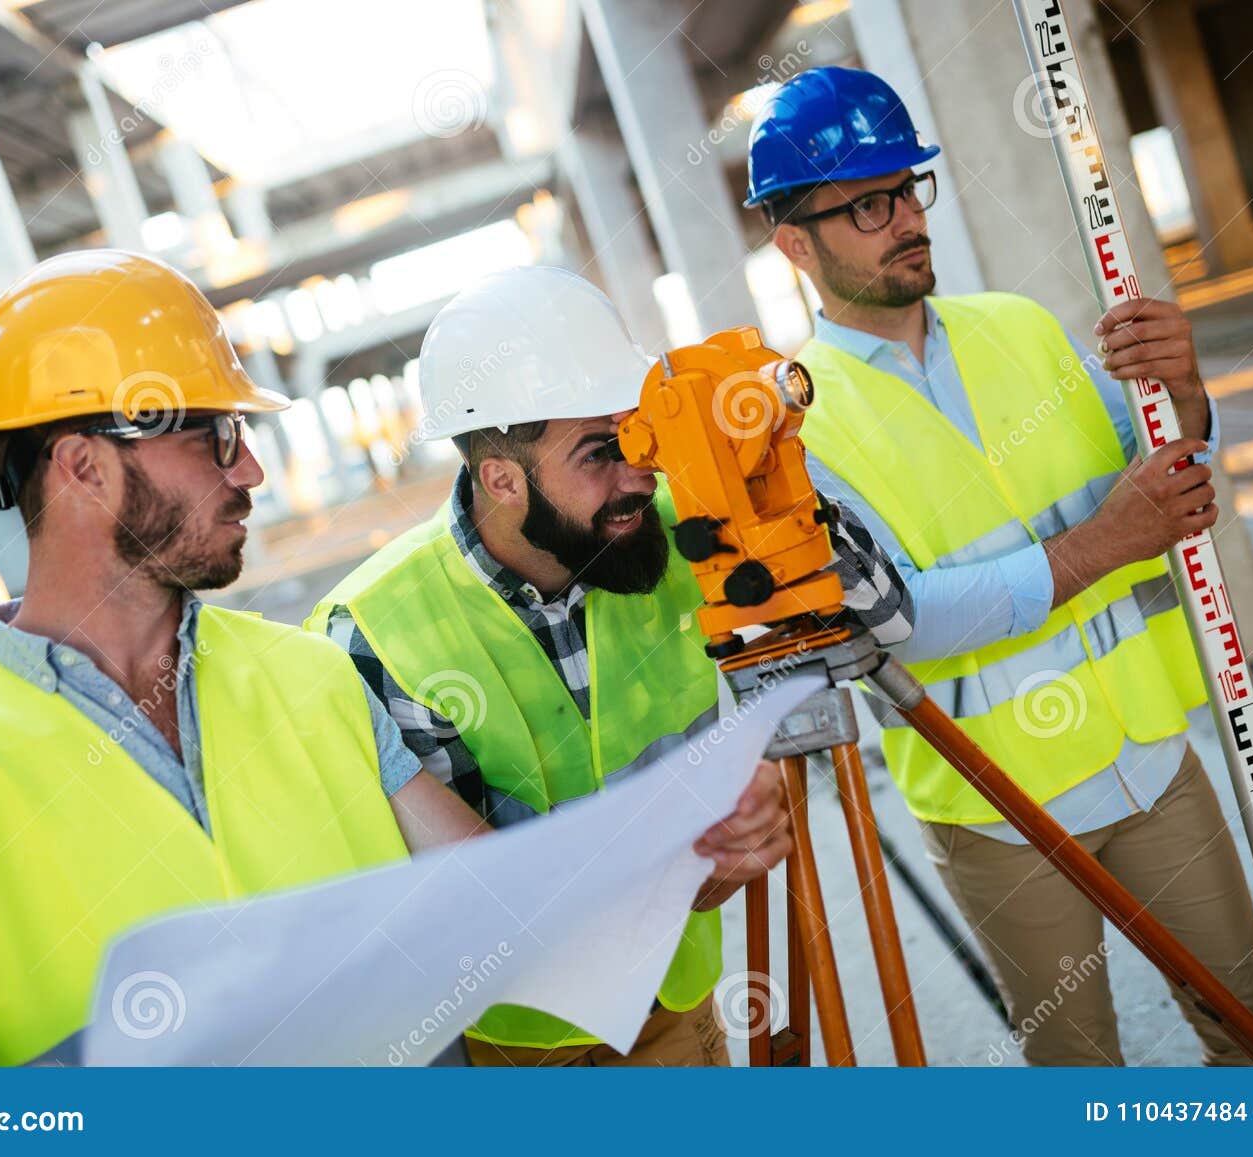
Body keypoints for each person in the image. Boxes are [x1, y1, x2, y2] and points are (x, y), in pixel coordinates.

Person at [0, 251, 491, 1066]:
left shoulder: (309, 673)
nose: (253, 470)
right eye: (220, 437)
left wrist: (651, 850)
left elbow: (494, 898)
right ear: (84, 465)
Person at [746, 66, 1253, 1065]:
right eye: (866, 204)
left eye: (908, 190)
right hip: (993, 807)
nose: (904, 218)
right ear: (794, 242)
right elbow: (891, 619)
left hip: (1146, 765)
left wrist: (1186, 393)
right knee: (1074, 1077)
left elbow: (1168, 478)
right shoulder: (796, 424)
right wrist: (1098, 546)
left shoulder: (1023, 329)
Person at [306, 265, 915, 1066]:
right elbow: (459, 898)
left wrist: (767, 481)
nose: (639, 473)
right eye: (601, 451)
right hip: (524, 1041)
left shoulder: (681, 525)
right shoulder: (378, 629)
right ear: (500, 478)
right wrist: (664, 883)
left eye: (640, 434)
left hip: (677, 994)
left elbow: (886, 623)